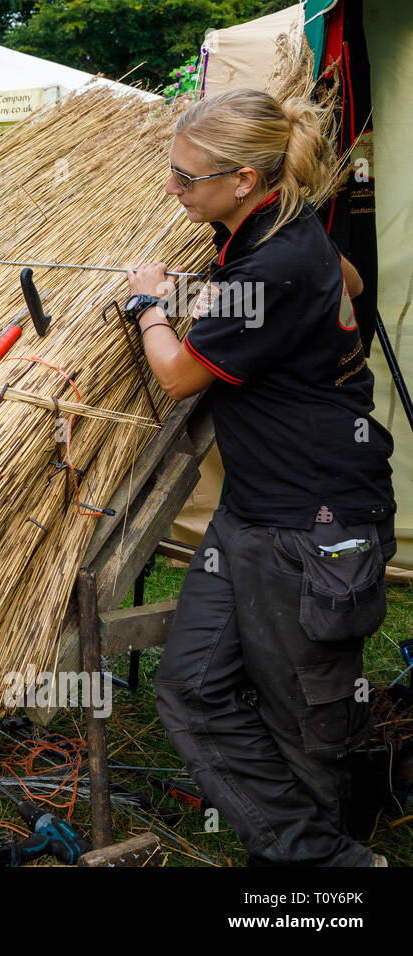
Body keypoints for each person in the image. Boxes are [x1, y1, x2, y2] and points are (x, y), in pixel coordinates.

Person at [124, 88, 395, 866]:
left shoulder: (271, 260)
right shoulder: (276, 228)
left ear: (245, 178)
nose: (173, 190)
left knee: (299, 716)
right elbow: (346, 279)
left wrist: (150, 306)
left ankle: (319, 877)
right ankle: (315, 856)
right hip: (255, 509)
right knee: (191, 689)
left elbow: (177, 376)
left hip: (313, 523)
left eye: (187, 178)